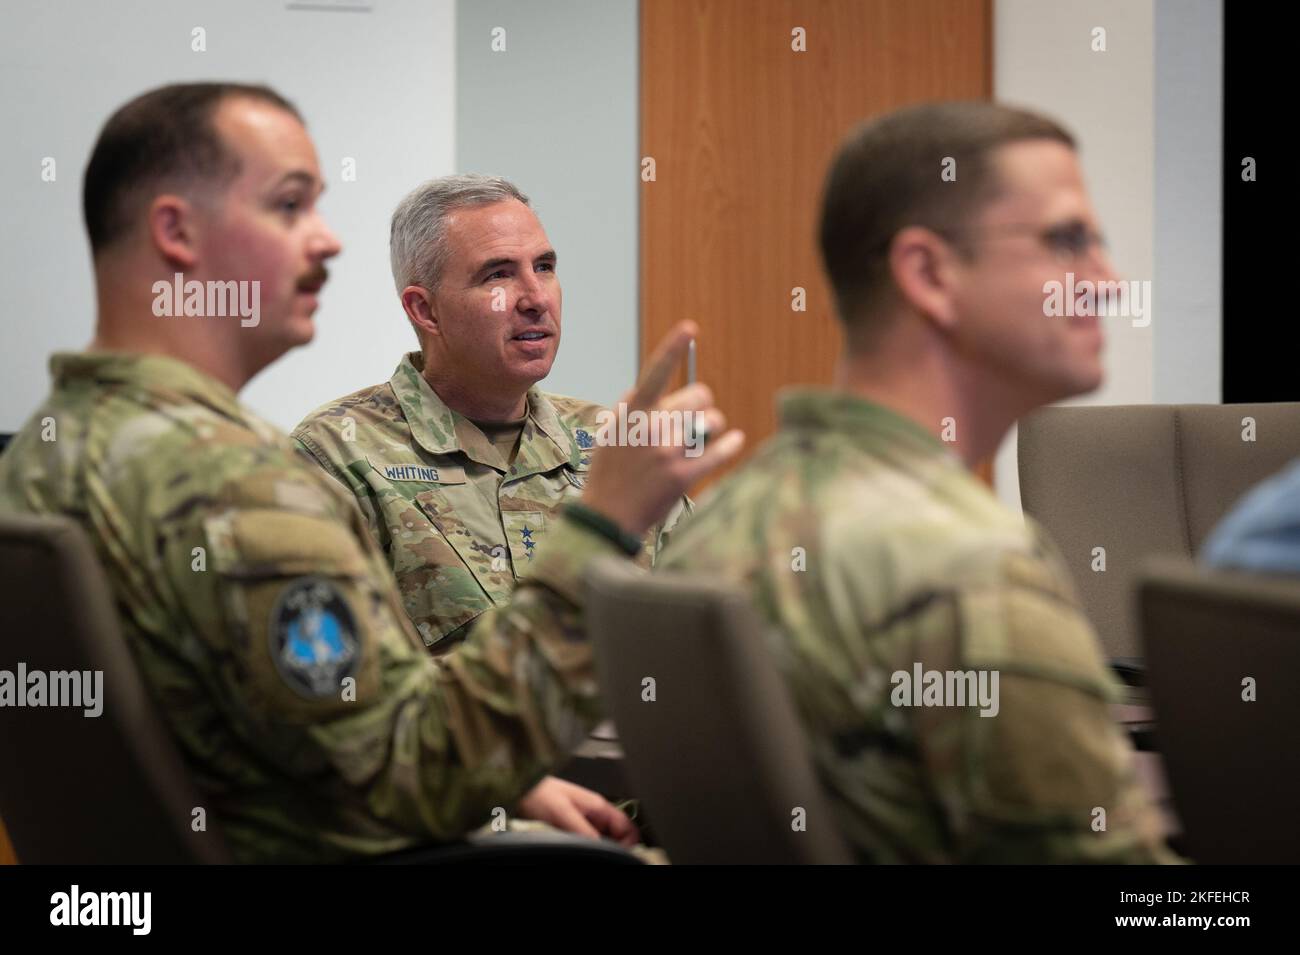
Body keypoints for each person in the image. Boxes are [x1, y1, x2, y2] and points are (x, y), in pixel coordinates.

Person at [0, 82, 741, 862]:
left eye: (546, 267)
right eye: (289, 206)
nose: (327, 242)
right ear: (177, 232)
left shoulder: (46, 452)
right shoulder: (236, 482)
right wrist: (599, 527)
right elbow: (425, 767)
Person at [659, 102, 1177, 863]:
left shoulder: (719, 520)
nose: (1108, 282)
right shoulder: (974, 571)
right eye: (1067, 241)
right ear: (930, 274)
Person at [292, 175, 690, 653]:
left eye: (544, 267)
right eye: (498, 275)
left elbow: (705, 639)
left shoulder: (614, 443)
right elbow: (344, 685)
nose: (536, 298)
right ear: (426, 310)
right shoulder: (336, 455)